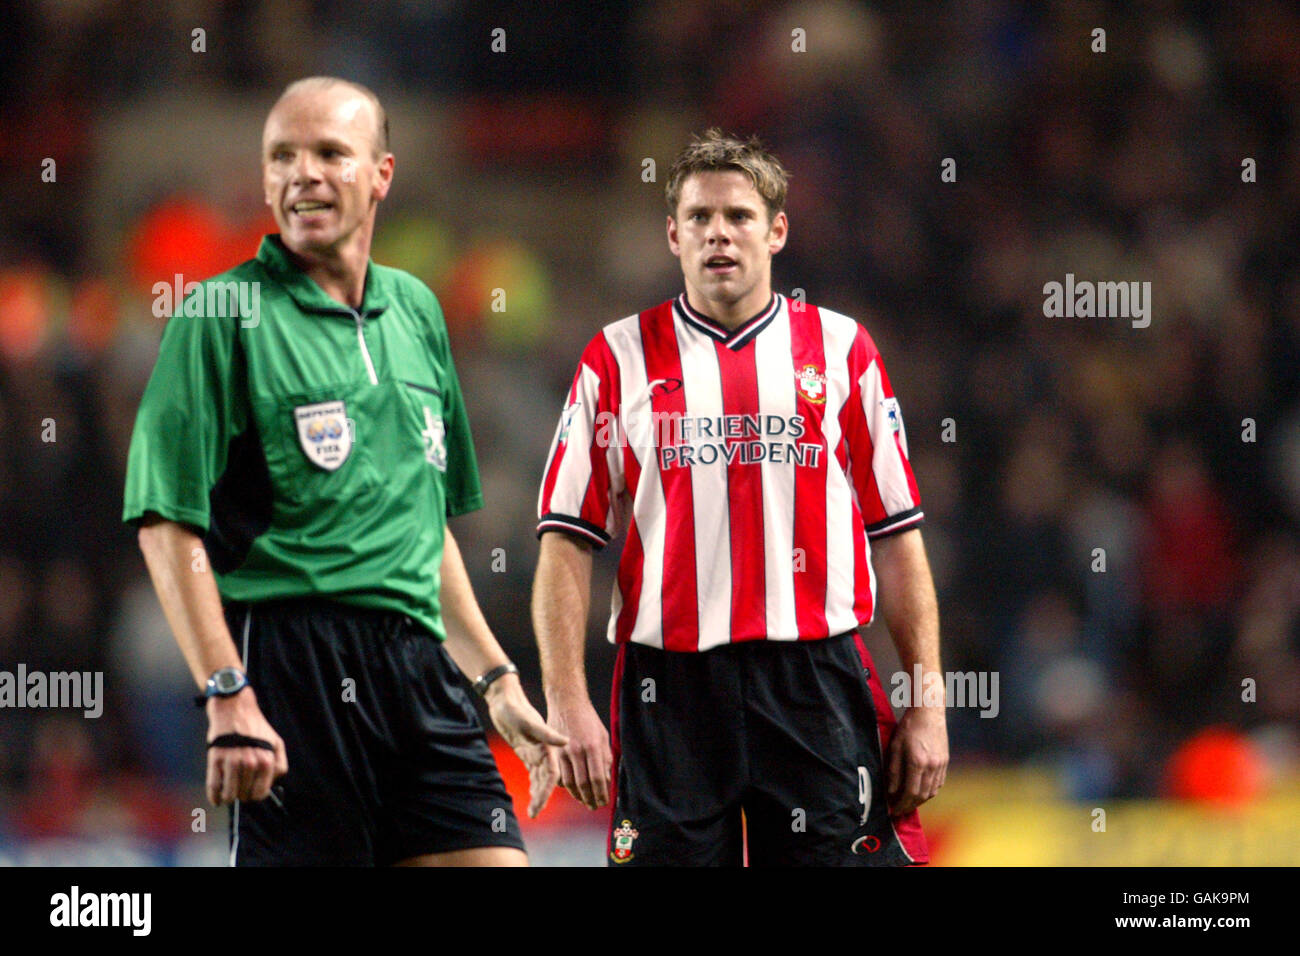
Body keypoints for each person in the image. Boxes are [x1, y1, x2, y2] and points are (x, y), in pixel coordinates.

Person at [123, 76, 566, 867]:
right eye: (282, 156)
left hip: (421, 670)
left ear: (381, 173)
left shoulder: (420, 312)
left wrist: (496, 679)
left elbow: (421, 532)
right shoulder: (218, 317)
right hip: (294, 667)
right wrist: (226, 691)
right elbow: (166, 523)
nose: (303, 174)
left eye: (330, 152)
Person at [531, 129, 947, 866]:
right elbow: (566, 538)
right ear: (673, 234)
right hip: (671, 688)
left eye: (739, 216)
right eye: (699, 218)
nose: (718, 232)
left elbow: (898, 533)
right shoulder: (616, 357)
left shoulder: (843, 349)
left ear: (777, 230)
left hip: (815, 679)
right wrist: (566, 701)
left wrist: (928, 701)